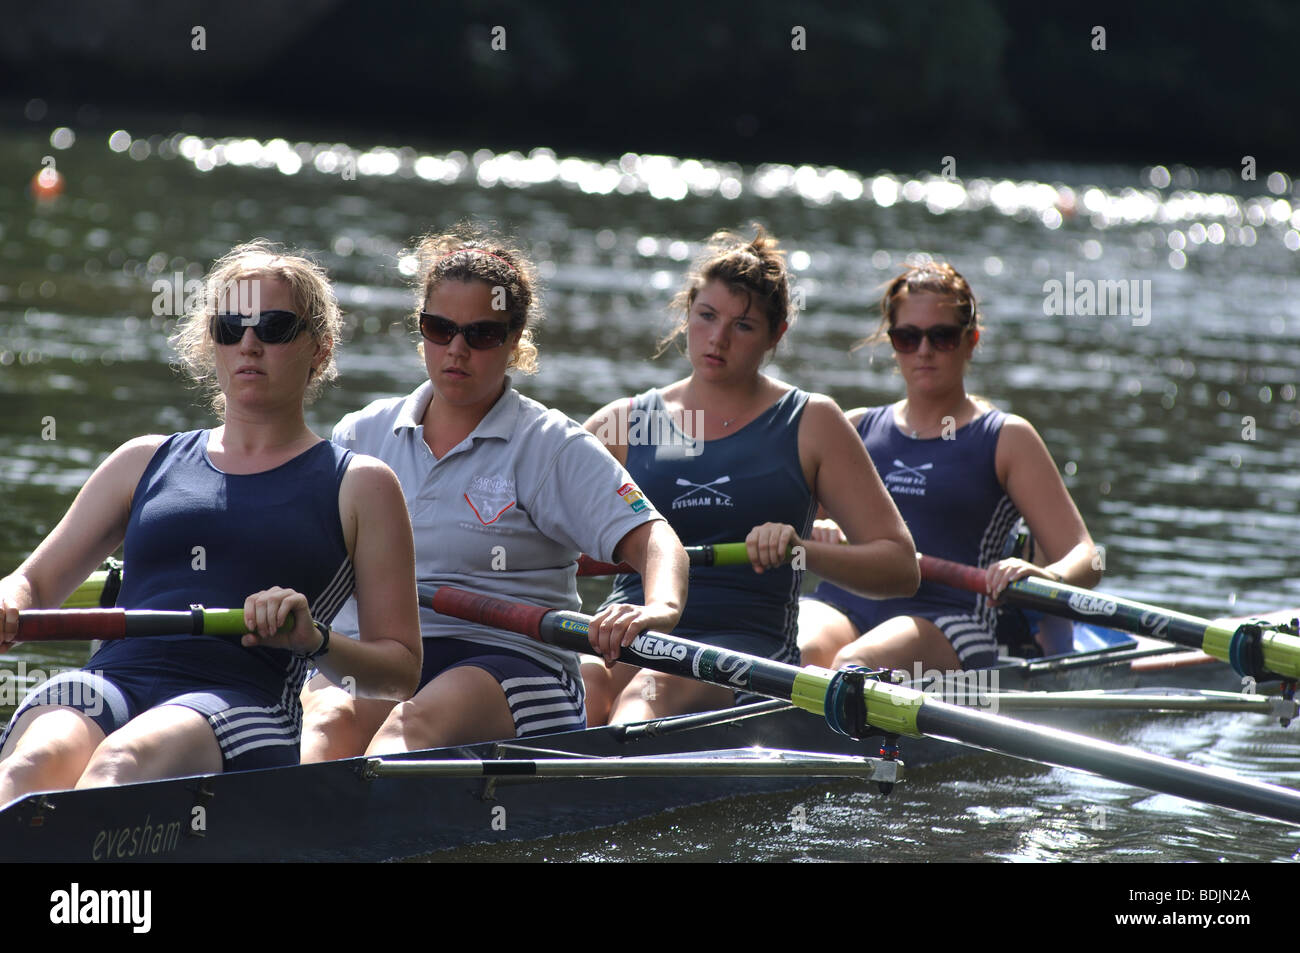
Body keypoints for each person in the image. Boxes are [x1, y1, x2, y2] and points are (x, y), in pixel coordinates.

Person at [0, 242, 422, 800]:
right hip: (114, 677)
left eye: (273, 326)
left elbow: (399, 673)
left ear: (318, 349)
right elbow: (35, 582)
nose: (249, 343)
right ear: (212, 343)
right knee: (28, 765)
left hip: (243, 698)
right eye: (231, 326)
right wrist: (9, 601)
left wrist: (313, 639)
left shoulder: (361, 485)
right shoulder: (141, 461)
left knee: (120, 765)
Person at [300, 226, 687, 761]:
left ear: (514, 340)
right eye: (440, 328)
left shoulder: (551, 446)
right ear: (422, 331)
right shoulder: (362, 433)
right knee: (321, 727)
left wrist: (659, 607)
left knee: (402, 736)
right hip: (381, 656)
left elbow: (655, 538)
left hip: (510, 657)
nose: (456, 349)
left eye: (480, 335)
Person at [581, 226, 919, 725]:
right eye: (707, 316)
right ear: (688, 311)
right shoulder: (625, 422)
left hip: (747, 653)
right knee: (577, 687)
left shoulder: (813, 422)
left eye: (742, 326)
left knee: (643, 700)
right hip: (631, 629)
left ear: (775, 335)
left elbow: (900, 568)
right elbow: (528, 532)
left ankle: (596, 797)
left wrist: (800, 550)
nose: (717, 338)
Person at [798, 261, 1102, 673]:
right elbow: (787, 528)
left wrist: (1048, 578)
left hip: (950, 617)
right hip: (845, 601)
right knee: (796, 653)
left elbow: (1085, 557)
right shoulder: (854, 429)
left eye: (941, 337)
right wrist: (814, 529)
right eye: (908, 337)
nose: (923, 350)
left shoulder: (1006, 438)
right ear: (893, 343)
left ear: (970, 341)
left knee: (856, 665)